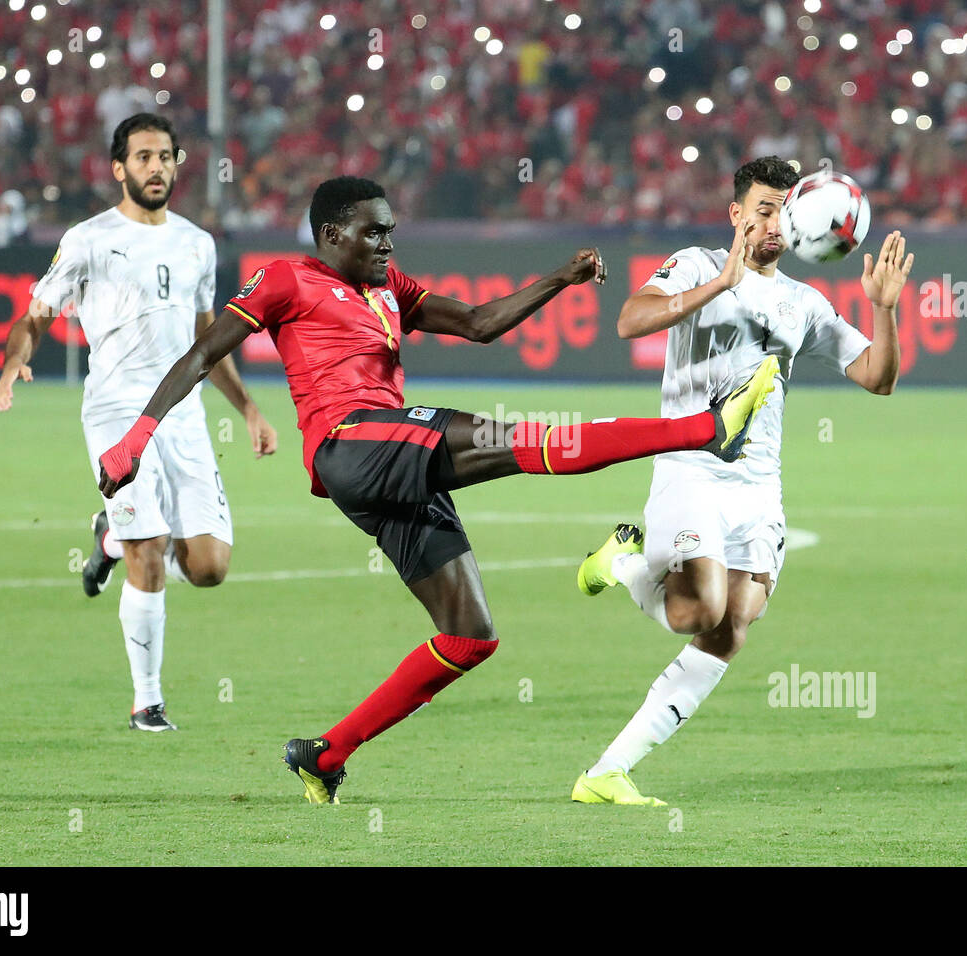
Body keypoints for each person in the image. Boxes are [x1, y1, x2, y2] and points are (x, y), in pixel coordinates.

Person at [95, 175, 778, 803]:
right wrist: (136, 436)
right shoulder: (285, 279)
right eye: (374, 232)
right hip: (351, 442)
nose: (388, 243)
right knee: (525, 442)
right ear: (333, 235)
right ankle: (704, 429)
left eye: (390, 230)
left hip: (388, 462)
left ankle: (327, 754)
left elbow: (480, 324)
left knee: (469, 636)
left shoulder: (392, 290)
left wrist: (559, 279)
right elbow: (202, 352)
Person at [572, 156, 913, 805]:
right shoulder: (696, 265)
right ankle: (622, 563)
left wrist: (884, 310)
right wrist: (721, 281)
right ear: (735, 214)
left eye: (784, 212)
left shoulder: (803, 302)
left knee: (734, 625)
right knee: (696, 610)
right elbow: (631, 320)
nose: (774, 224)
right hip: (690, 468)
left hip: (758, 488)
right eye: (762, 209)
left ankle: (606, 773)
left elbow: (880, 376)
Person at [0, 113, 277, 732]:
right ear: (119, 168)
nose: (157, 167)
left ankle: (107, 540)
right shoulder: (88, 239)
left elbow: (208, 341)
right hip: (117, 414)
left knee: (208, 569)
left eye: (166, 156)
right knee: (148, 550)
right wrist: (17, 358)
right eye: (144, 157)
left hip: (184, 418)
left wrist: (250, 408)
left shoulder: (198, 244)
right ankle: (146, 701)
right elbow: (37, 314)